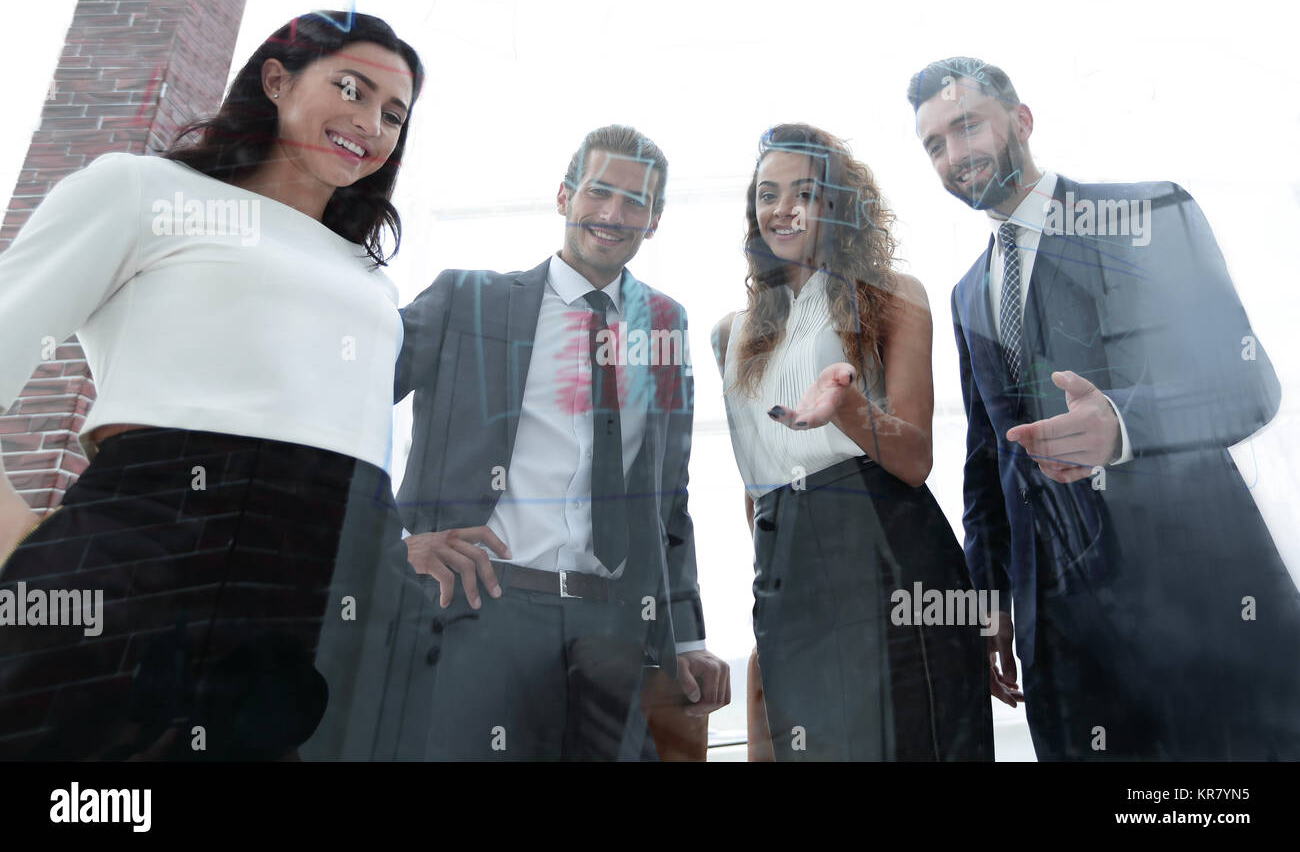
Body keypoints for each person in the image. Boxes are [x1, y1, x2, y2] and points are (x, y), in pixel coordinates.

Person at [0, 11, 423, 761]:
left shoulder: (371, 281)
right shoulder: (140, 190)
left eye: (394, 114)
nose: (371, 123)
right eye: (351, 90)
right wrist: (30, 552)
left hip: (316, 592)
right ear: (276, 78)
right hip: (143, 543)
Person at [908, 56, 1300, 760]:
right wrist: (991, 598)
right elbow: (987, 462)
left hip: (1199, 603)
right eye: (934, 144)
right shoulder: (968, 293)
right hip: (1061, 642)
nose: (954, 154)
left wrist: (1121, 424)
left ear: (1021, 121)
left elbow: (1248, 386)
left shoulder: (1148, 215)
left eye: (967, 126)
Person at [367, 125, 729, 761]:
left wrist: (688, 637)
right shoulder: (467, 299)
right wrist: (395, 542)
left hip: (610, 627)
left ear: (655, 219)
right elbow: (341, 406)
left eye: (635, 201)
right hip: (479, 608)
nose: (613, 215)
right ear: (564, 196)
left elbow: (670, 498)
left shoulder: (665, 322)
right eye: (598, 192)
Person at [712, 124, 993, 761]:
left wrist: (846, 407)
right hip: (787, 560)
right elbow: (754, 490)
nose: (780, 208)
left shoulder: (893, 295)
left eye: (803, 192)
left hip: (890, 549)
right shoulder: (729, 332)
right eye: (766, 193)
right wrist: (774, 593)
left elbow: (915, 459)